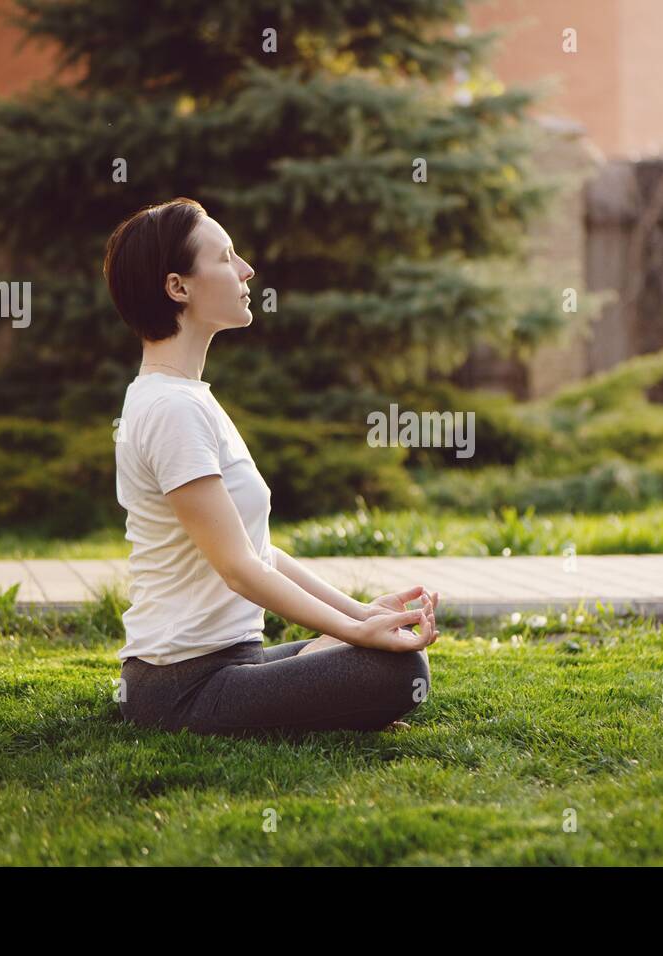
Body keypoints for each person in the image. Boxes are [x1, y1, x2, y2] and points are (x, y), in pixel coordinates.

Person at [104, 198, 438, 737]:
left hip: (229, 664)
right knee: (398, 670)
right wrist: (360, 635)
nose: (246, 271)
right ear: (177, 287)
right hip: (182, 687)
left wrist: (360, 616)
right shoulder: (170, 409)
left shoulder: (188, 398)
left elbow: (260, 552)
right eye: (226, 257)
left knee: (385, 651)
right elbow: (240, 568)